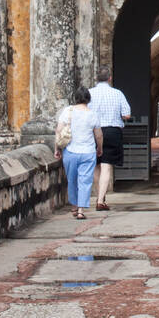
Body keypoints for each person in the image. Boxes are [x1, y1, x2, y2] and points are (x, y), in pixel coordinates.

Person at [55, 86, 102, 220]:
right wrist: (100, 148)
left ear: (76, 98)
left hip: (70, 151)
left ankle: (75, 205)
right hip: (88, 151)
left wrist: (56, 149)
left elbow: (59, 131)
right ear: (88, 99)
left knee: (72, 180)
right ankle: (81, 210)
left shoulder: (67, 111)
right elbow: (98, 135)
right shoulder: (92, 114)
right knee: (85, 181)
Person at [89, 67, 130, 211]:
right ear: (110, 78)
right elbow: (126, 114)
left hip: (94, 131)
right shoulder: (117, 93)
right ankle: (101, 200)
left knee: (96, 165)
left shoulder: (90, 93)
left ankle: (100, 196)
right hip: (112, 131)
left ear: (96, 78)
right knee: (107, 166)